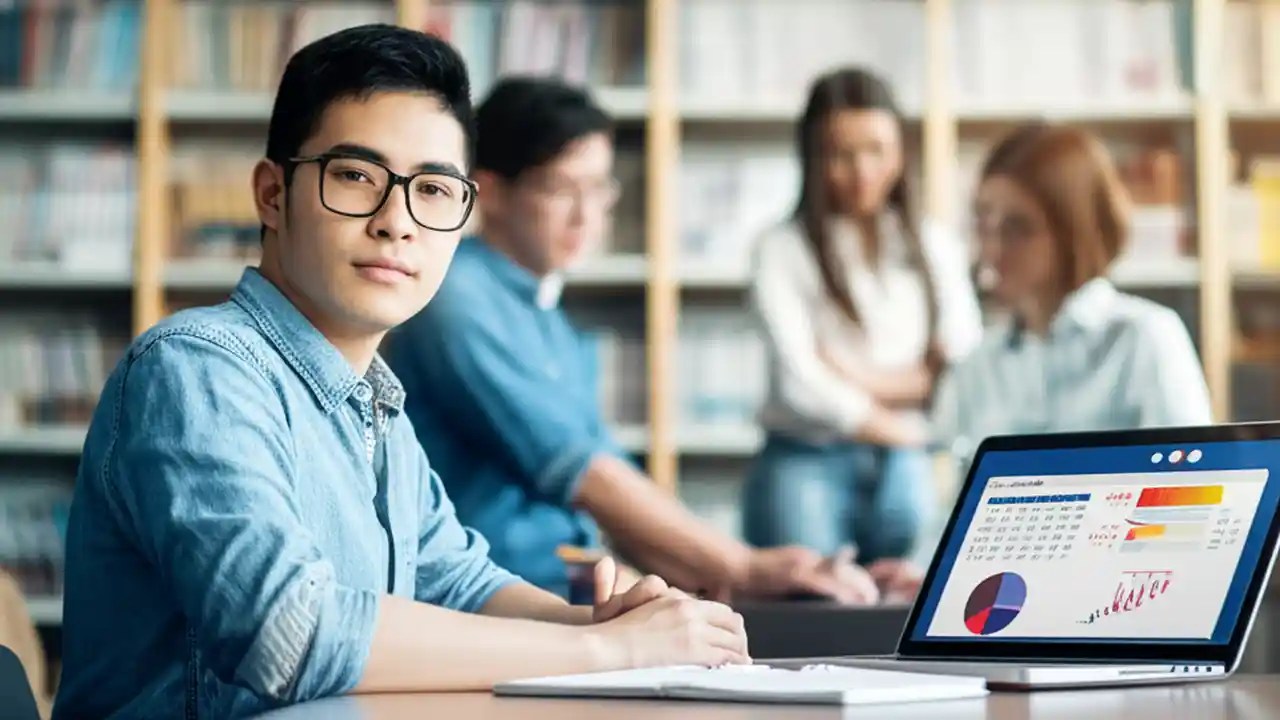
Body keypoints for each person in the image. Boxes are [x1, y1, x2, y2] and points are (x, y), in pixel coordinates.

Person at [54, 27, 751, 720]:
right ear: (272, 194)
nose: (398, 222)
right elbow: (288, 633)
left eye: (434, 189)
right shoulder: (197, 369)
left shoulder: (374, 404)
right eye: (356, 176)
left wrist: (603, 624)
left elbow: (458, 580)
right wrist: (612, 655)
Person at [383, 77, 879, 607]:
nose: (587, 214)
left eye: (599, 188)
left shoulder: (545, 312)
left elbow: (611, 478)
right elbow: (584, 475)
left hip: (561, 583)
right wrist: (742, 566)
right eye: (560, 189)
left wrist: (756, 577)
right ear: (492, 193)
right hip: (492, 599)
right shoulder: (458, 297)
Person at [741, 68, 983, 595]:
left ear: (902, 148)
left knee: (907, 612)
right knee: (810, 616)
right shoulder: (781, 250)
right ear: (812, 156)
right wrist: (899, 409)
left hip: (907, 465)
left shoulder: (931, 243)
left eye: (877, 149)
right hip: (806, 459)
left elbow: (961, 363)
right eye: (840, 154)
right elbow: (799, 386)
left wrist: (850, 373)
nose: (862, 172)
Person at [932, 122, 1212, 464]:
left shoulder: (1143, 338)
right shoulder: (978, 364)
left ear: (1072, 232)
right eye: (984, 220)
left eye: (1017, 227)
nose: (993, 248)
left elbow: (1194, 482)